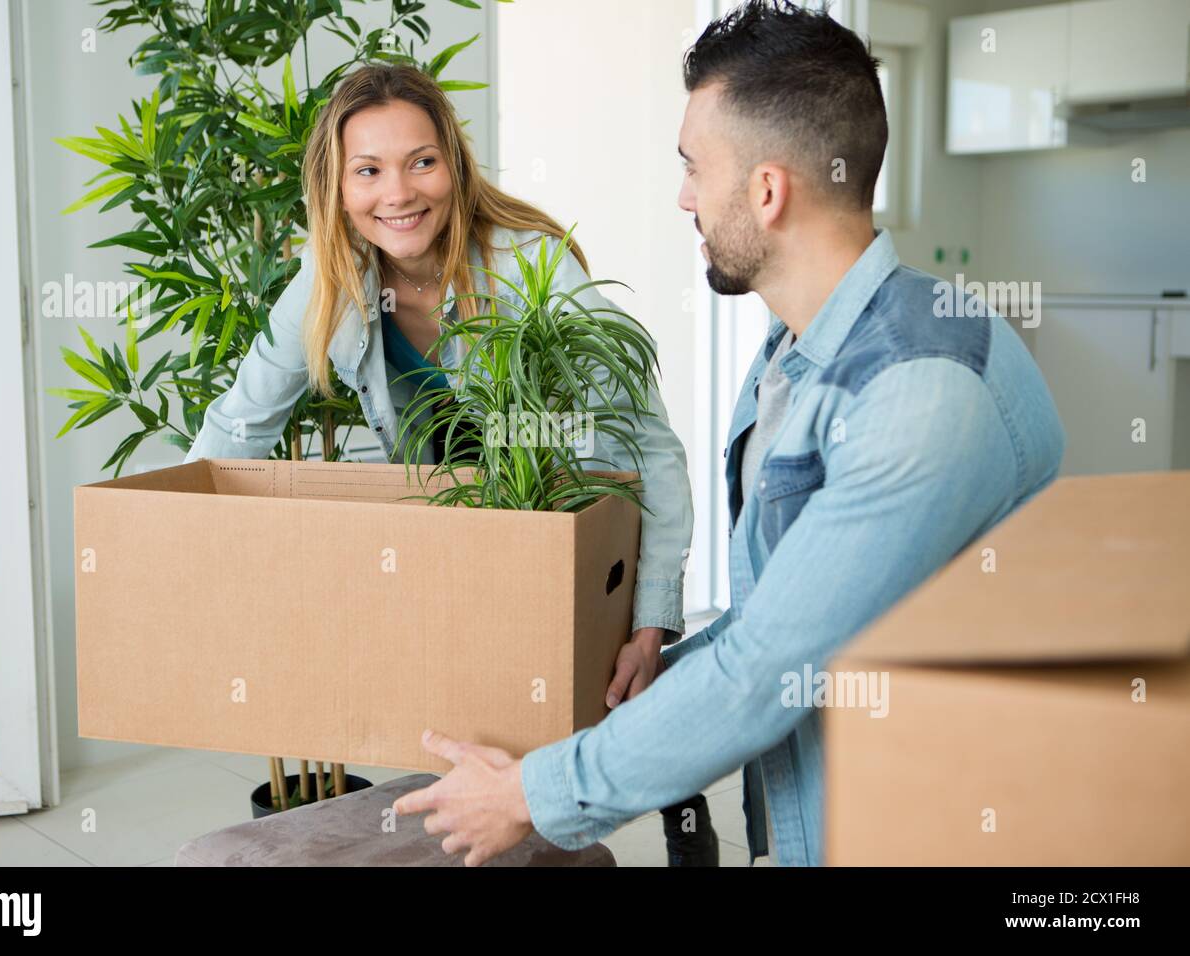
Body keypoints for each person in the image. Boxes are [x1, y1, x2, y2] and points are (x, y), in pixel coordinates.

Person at [392, 0, 1066, 866]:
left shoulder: (918, 390)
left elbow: (765, 671)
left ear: (767, 190)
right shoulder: (795, 355)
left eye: (692, 167)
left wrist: (529, 796)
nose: (682, 197)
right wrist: (661, 677)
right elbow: (782, 617)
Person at [183, 65, 717, 864]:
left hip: (558, 531)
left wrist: (650, 618)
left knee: (578, 727)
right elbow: (239, 422)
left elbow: (646, 441)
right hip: (463, 545)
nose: (397, 192)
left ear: (454, 166)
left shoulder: (530, 263)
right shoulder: (331, 286)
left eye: (420, 161)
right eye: (367, 170)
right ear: (336, 187)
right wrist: (165, 535)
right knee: (483, 748)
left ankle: (671, 798)